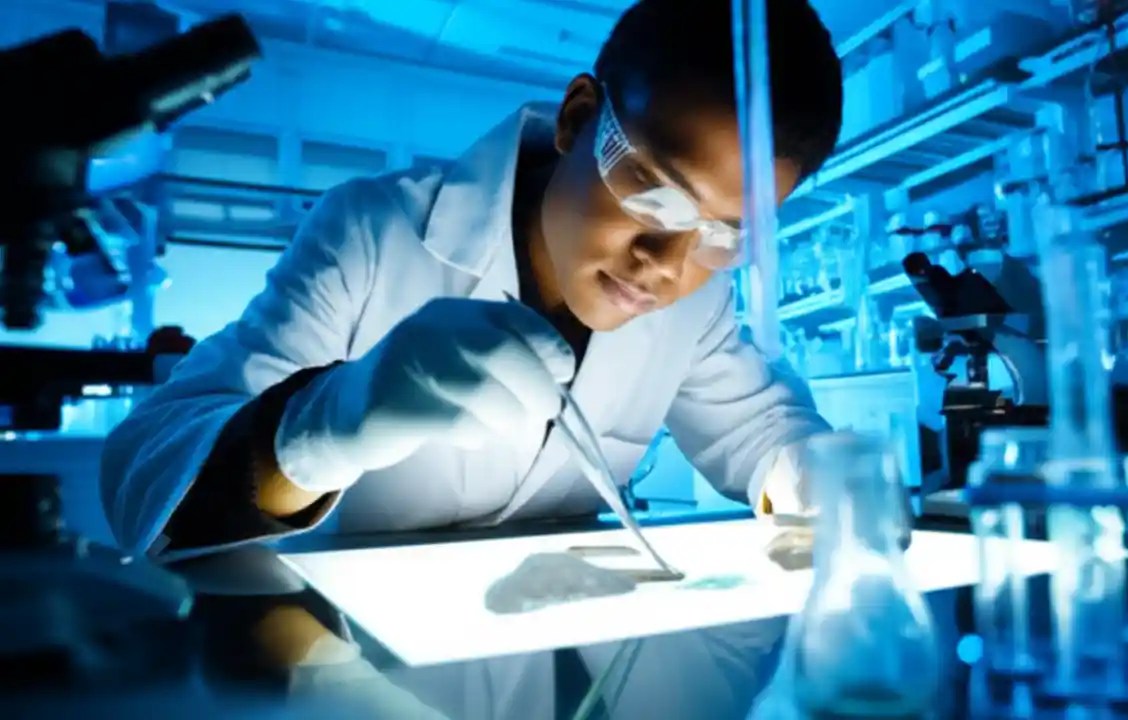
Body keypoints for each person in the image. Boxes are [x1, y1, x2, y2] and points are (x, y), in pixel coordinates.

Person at [101, 0, 845, 557]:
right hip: (347, 666)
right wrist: (325, 426)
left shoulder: (695, 301)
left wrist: (811, 476)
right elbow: (138, 481)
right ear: (579, 119)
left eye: (723, 234)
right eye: (651, 190)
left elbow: (764, 431)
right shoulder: (371, 232)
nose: (666, 261)